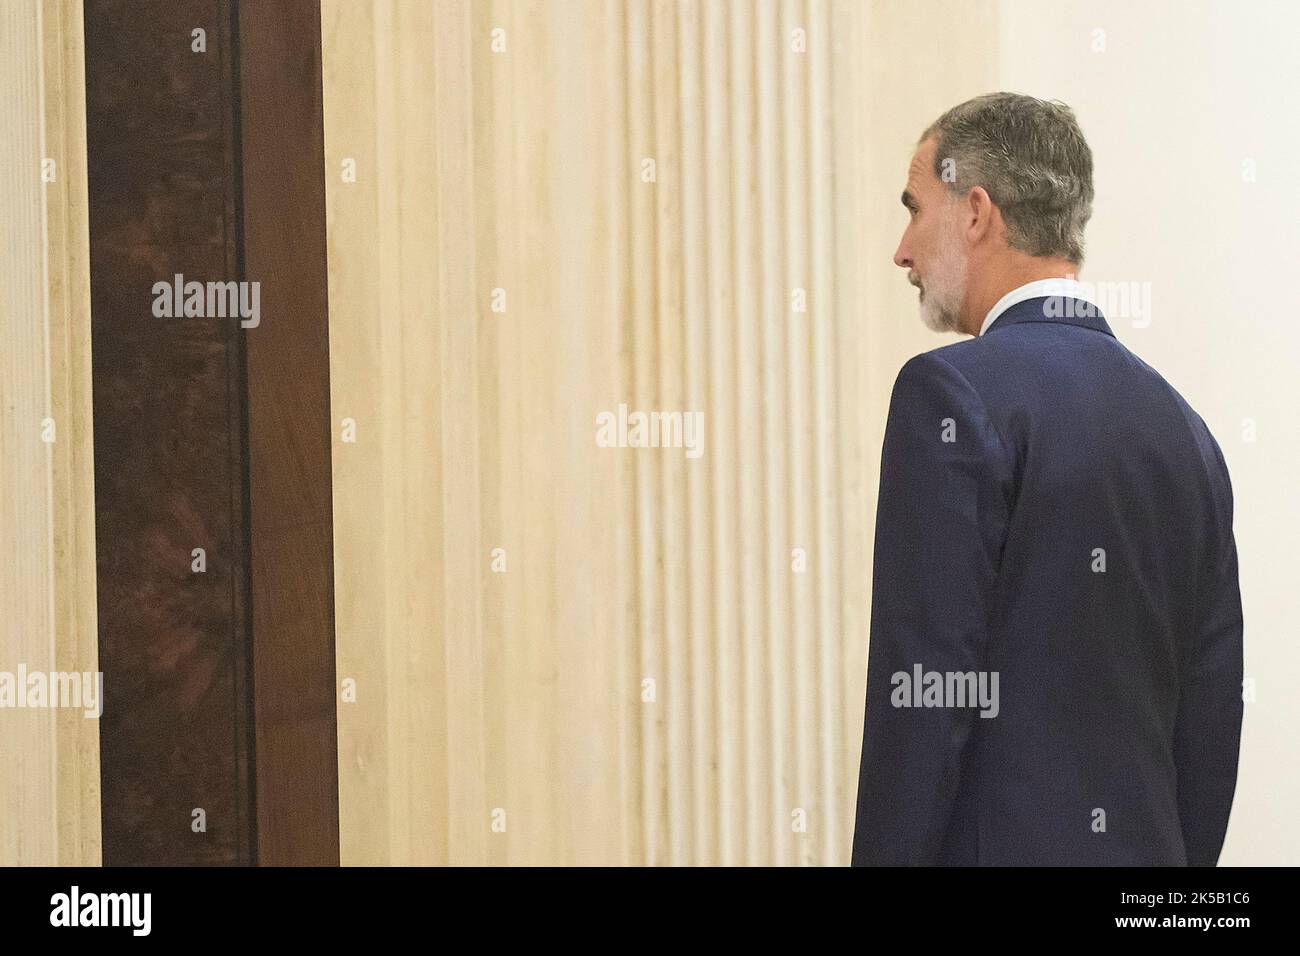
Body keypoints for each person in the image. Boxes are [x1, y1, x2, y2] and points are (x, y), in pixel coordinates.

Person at [851, 92, 1244, 865]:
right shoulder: (1186, 432)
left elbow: (926, 699)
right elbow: (1211, 717)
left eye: (914, 208)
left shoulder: (948, 394)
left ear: (975, 212)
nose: (902, 250)